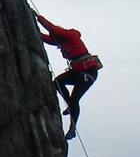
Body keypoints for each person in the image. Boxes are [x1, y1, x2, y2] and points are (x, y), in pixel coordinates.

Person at [34, 11, 102, 139]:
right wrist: (34, 29)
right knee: (58, 83)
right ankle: (70, 105)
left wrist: (38, 18)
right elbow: (47, 38)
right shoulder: (62, 40)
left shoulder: (69, 35)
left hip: (88, 71)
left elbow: (52, 29)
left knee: (74, 99)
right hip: (79, 70)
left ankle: (72, 128)